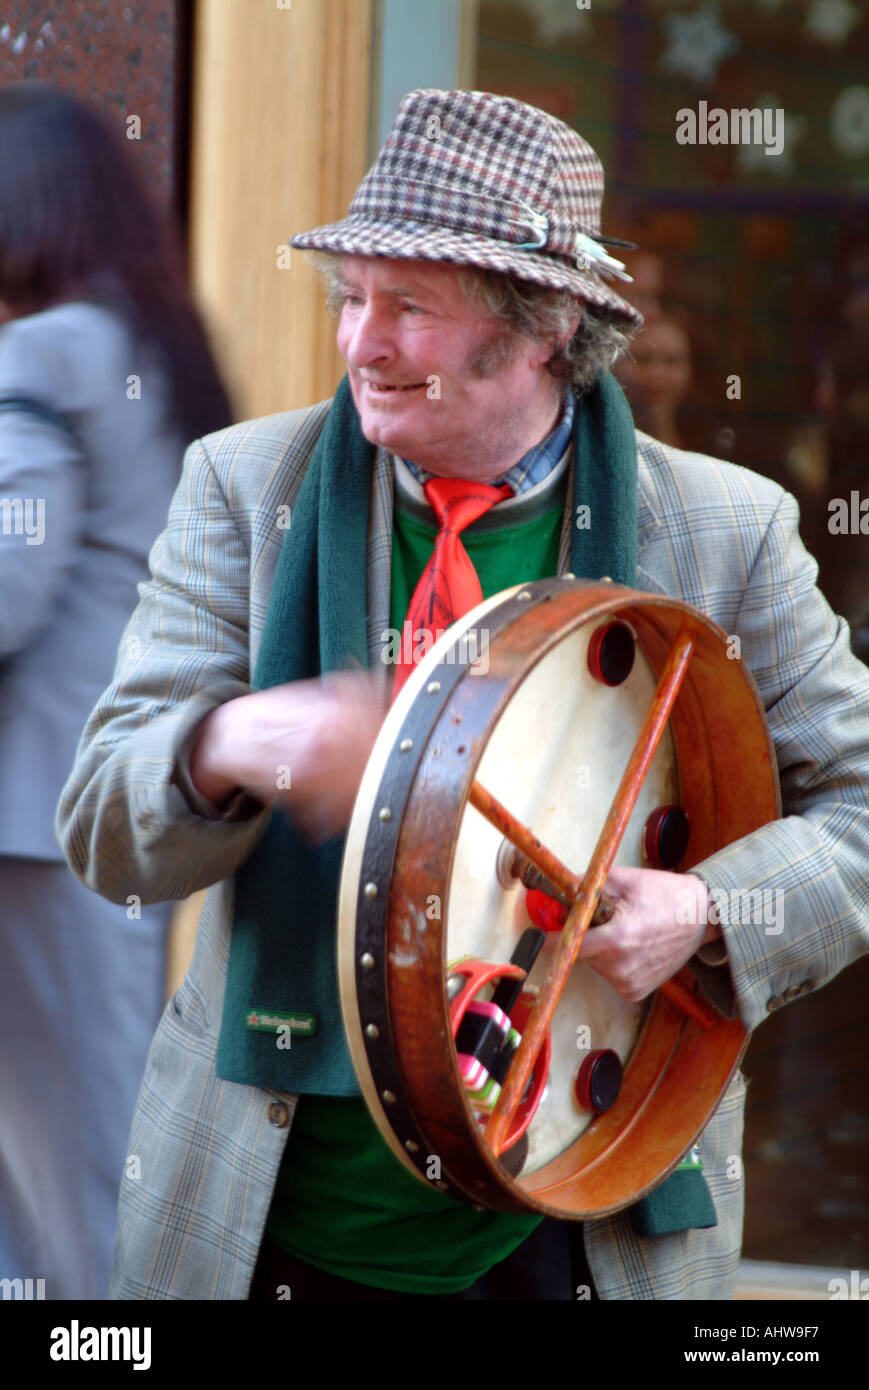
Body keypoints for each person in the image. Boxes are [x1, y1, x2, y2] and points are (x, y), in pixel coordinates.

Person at [56, 89, 868, 1301]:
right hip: (274, 1220)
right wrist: (222, 743)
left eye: (407, 308)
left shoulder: (722, 529)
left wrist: (704, 912)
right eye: (348, 298)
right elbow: (105, 830)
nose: (358, 344)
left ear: (539, 330)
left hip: (579, 1208)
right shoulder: (241, 483)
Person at [0, 81, 233, 1299]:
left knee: (58, 1181)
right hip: (122, 811)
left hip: (31, 820)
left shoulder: (44, 348)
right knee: (90, 1150)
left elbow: (7, 572)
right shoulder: (158, 347)